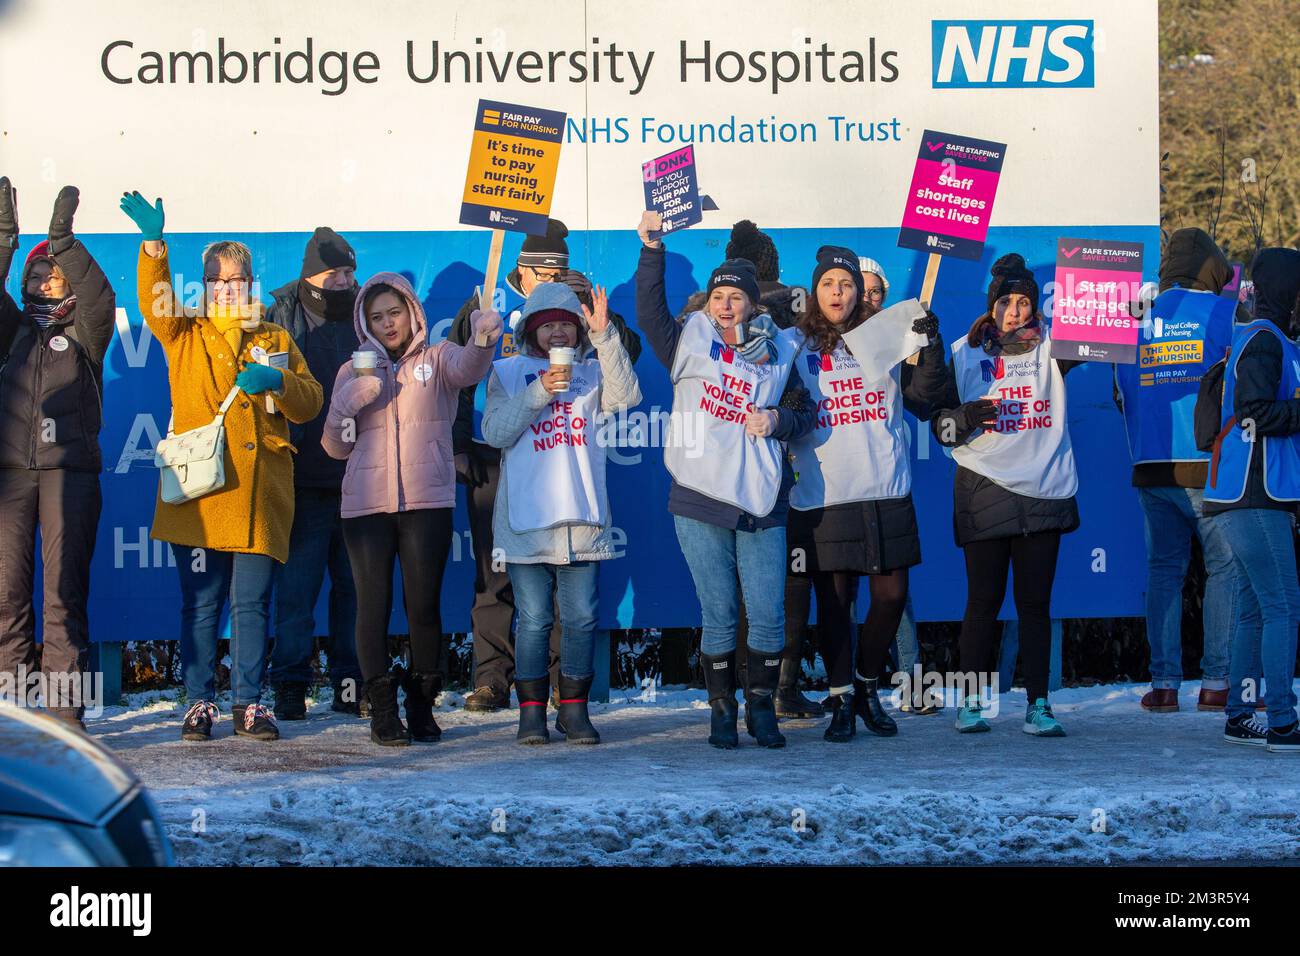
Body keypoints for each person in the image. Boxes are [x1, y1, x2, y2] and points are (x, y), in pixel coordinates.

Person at [121, 190, 323, 742]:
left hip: (260, 493)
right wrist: (153, 245)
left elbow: (310, 402)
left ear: (251, 284)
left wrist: (278, 380)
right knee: (201, 603)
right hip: (201, 493)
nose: (226, 288)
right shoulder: (184, 331)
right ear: (204, 286)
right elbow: (153, 303)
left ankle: (249, 705)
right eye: (216, 280)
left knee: (252, 604)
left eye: (235, 279)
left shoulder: (275, 336)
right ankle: (198, 702)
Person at [635, 209, 816, 749]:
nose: (726, 305)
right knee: (718, 614)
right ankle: (721, 711)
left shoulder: (780, 350)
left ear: (754, 303)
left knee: (768, 615)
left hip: (761, 499)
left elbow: (805, 413)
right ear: (708, 302)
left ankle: (762, 709)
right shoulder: (689, 339)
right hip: (699, 497)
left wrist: (778, 419)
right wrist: (652, 250)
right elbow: (650, 312)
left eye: (737, 296)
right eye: (719, 296)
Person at [447, 219, 641, 712]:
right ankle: (493, 678)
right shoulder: (486, 299)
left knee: (564, 584)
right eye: (544, 272)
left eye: (559, 272)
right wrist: (458, 444)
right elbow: (459, 376)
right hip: (493, 452)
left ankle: (558, 682)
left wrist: (597, 317)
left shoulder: (578, 303)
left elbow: (627, 362)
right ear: (522, 269)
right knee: (497, 576)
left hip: (559, 456)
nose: (551, 279)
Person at [322, 273, 500, 746]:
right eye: (377, 317)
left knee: (423, 607)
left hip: (427, 502)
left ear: (412, 313)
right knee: (372, 606)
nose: (388, 323)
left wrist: (482, 339)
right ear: (365, 323)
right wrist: (345, 406)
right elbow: (335, 448)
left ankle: (421, 706)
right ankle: (382, 711)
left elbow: (469, 369)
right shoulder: (351, 370)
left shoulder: (437, 359)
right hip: (365, 509)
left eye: (394, 313)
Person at [785, 246, 947, 742]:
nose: (838, 292)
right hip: (824, 494)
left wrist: (929, 345)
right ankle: (840, 700)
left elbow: (923, 397)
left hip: (885, 487)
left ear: (860, 292)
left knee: (891, 596)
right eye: (828, 284)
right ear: (815, 291)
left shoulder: (884, 333)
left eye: (847, 284)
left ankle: (866, 686)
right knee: (835, 605)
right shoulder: (795, 344)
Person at [482, 281, 641, 744]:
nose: (557, 333)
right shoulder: (508, 372)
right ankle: (531, 713)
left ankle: (573, 709)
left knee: (581, 618)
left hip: (581, 520)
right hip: (527, 524)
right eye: (547, 324)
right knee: (534, 620)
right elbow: (494, 433)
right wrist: (539, 392)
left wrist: (604, 336)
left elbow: (627, 398)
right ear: (531, 330)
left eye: (566, 325)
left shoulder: (593, 372)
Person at [931, 253, 1080, 737]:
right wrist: (966, 417)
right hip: (983, 487)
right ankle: (971, 703)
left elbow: (1102, 338)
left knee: (1035, 605)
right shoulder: (962, 352)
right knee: (983, 602)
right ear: (990, 306)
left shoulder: (1053, 346)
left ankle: (1039, 706)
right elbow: (940, 425)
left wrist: (1129, 310)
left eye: (1023, 302)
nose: (1014, 312)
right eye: (1005, 302)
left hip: (1043, 490)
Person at [0, 181, 114, 730]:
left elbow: (100, 298)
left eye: (54, 273)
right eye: (36, 274)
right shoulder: (9, 329)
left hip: (70, 476)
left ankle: (64, 715)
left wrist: (62, 241)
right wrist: (5, 240)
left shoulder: (86, 333)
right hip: (9, 477)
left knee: (63, 597)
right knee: (6, 595)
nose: (44, 281)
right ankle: (13, 712)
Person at [1115, 228, 1236, 713]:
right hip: (1209, 466)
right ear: (1211, 267)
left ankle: (1164, 685)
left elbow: (1119, 393)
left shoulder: (1136, 318)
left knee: (1164, 572)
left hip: (1150, 466)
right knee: (1224, 569)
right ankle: (1217, 683)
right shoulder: (1225, 313)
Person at [1203, 247, 1300, 753]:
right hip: (1255, 493)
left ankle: (1241, 714)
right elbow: (1255, 413)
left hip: (1242, 493)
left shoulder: (1267, 337)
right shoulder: (1265, 340)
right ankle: (1282, 721)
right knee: (1282, 606)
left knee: (1255, 610)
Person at [265, 228, 364, 720]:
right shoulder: (281, 315)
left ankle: (350, 686)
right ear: (310, 276)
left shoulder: (367, 313)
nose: (344, 281)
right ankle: (289, 686)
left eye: (349, 271)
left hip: (360, 479)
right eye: (335, 273)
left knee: (355, 591)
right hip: (301, 480)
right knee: (296, 594)